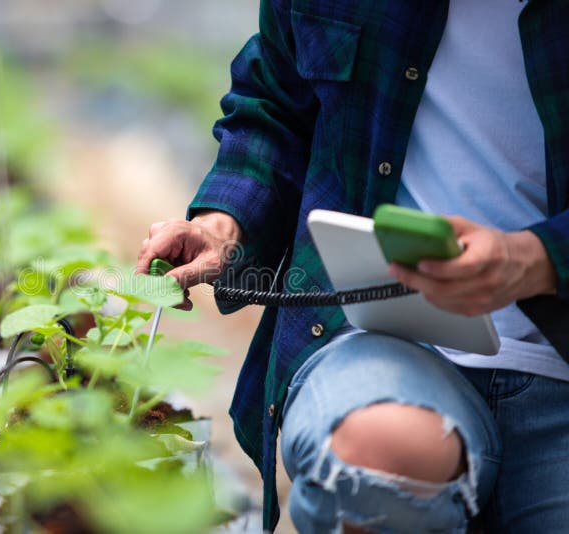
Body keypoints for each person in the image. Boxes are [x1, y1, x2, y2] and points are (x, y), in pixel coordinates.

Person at [137, 1, 569, 532]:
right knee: (374, 465)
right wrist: (221, 226)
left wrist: (540, 257)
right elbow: (276, 103)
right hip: (384, 333)